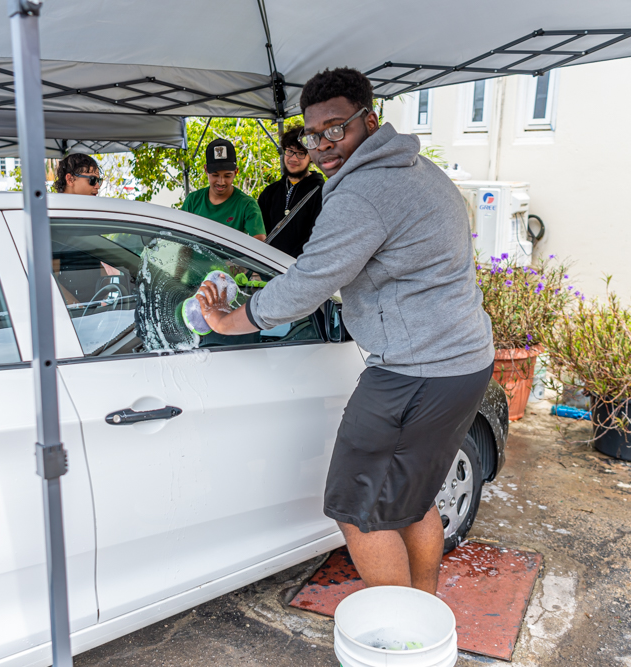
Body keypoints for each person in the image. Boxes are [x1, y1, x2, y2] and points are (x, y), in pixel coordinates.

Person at [195, 68, 494, 595]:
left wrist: (229, 320)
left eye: (336, 129)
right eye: (313, 135)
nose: (323, 146)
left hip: (415, 373)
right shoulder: (418, 168)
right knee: (411, 502)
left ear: (369, 121)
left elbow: (306, 285)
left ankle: (400, 630)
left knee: (359, 512)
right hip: (464, 361)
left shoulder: (363, 192)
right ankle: (423, 612)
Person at [257, 126, 324, 257]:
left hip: (302, 264)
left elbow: (317, 236)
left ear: (311, 156)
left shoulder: (320, 192)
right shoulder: (270, 192)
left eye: (301, 153)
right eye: (289, 151)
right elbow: (260, 231)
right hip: (268, 264)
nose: (293, 158)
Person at [181, 138, 266, 241]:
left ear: (236, 172)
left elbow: (260, 240)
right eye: (215, 175)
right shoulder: (193, 200)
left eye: (227, 176)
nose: (221, 182)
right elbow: (181, 238)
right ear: (206, 170)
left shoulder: (247, 204)